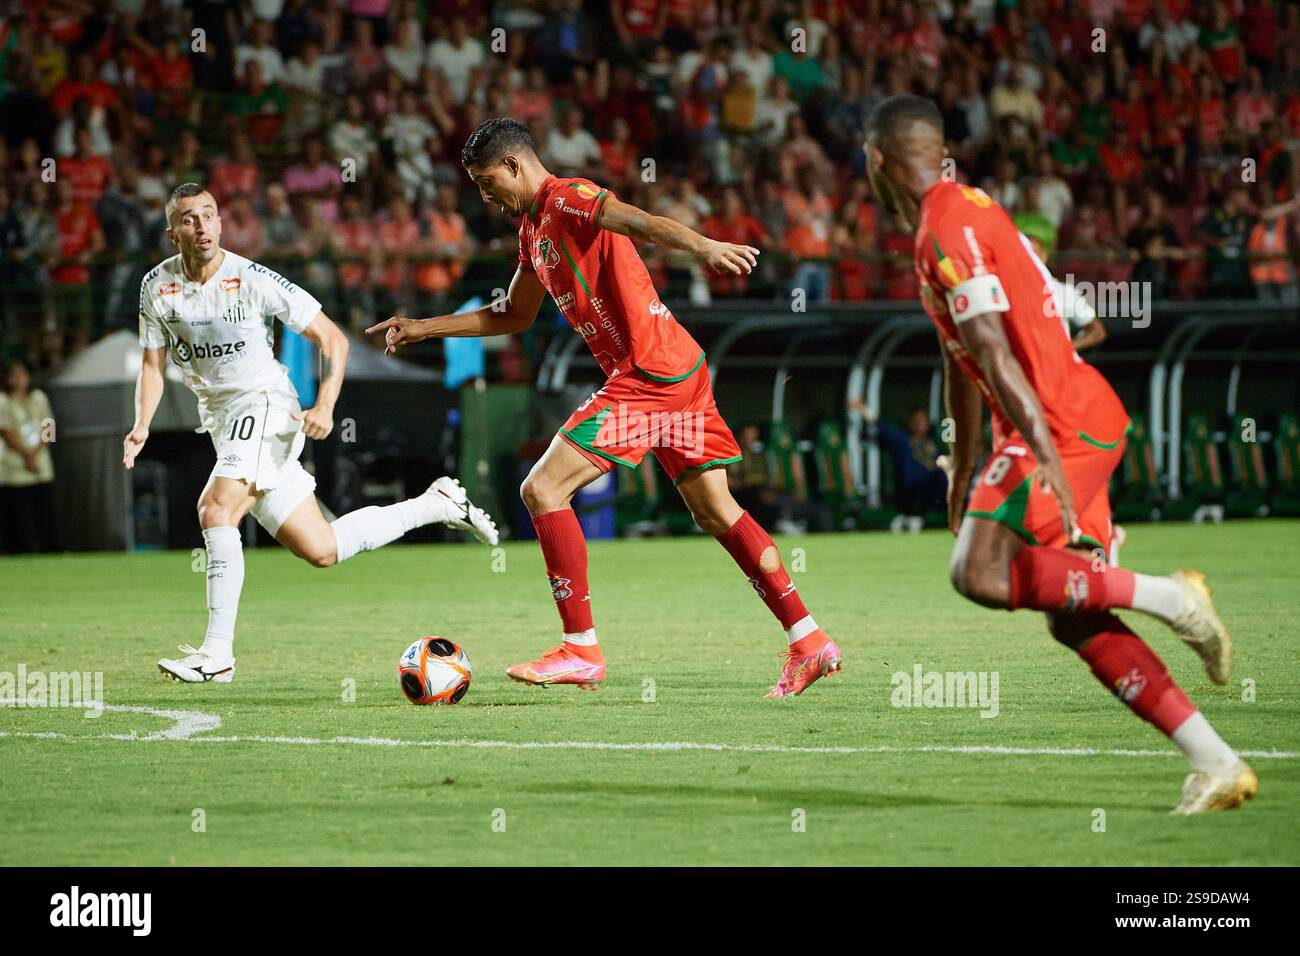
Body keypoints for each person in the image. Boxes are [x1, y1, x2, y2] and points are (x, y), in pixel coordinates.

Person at [864, 95, 1255, 815]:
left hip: (1060, 425)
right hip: (1073, 415)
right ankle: (1218, 763)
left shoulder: (942, 231)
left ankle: (1173, 597)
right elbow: (963, 365)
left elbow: (988, 350)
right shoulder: (971, 207)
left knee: (977, 572)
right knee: (1071, 614)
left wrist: (1039, 448)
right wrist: (965, 466)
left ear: (877, 160)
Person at [368, 118, 841, 698]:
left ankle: (580, 648)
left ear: (515, 164)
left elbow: (639, 222)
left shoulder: (566, 198)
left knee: (542, 490)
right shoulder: (532, 229)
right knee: (718, 511)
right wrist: (424, 328)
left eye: (488, 182)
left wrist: (706, 247)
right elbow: (514, 315)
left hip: (649, 375)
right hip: (679, 369)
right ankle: (809, 640)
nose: (486, 198)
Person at [125, 183, 498, 685]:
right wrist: (141, 424)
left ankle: (217, 654)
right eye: (190, 219)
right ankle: (437, 505)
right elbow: (152, 366)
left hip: (266, 408)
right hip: (224, 424)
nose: (203, 226)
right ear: (174, 233)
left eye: (210, 215)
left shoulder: (252, 278)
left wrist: (324, 404)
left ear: (221, 223)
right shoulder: (156, 286)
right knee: (321, 548)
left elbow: (332, 338)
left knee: (215, 510)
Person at [0, 361, 57, 553]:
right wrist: (27, 454)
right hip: (15, 467)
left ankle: (50, 549)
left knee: (45, 512)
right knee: (21, 515)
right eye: (14, 375)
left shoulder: (38, 398)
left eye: (22, 374)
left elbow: (49, 425)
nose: (19, 379)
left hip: (41, 464)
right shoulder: (3, 401)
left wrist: (37, 452)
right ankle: (25, 550)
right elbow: (6, 432)